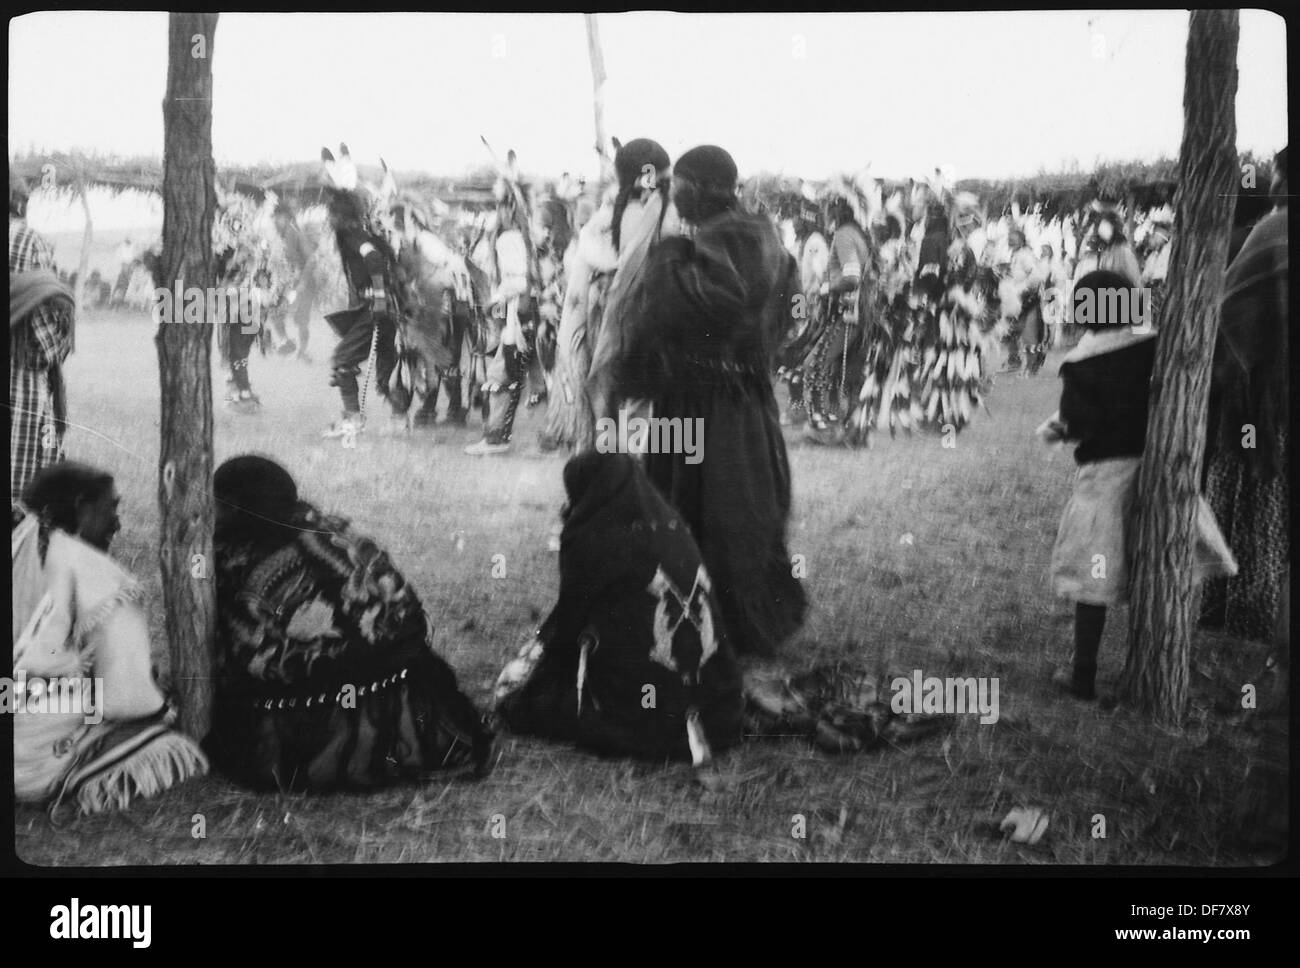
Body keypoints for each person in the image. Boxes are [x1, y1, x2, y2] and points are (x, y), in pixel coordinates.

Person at [609, 144, 807, 657]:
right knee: (745, 509)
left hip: (703, 405)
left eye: (678, 186)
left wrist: (667, 258)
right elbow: (784, 320)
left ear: (695, 189)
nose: (673, 195)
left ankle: (710, 624)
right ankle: (743, 621)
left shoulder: (705, 245)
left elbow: (684, 311)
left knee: (702, 509)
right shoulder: (770, 242)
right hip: (749, 403)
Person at [206, 455, 494, 790]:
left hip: (325, 705)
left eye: (218, 503)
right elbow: (402, 614)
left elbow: (256, 661)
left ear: (237, 508)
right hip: (407, 680)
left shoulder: (255, 569)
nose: (214, 512)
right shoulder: (331, 530)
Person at [1039, 271, 1236, 700]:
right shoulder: (1153, 344)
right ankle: (1167, 656)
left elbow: (1078, 422)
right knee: (1164, 561)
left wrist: (1057, 430)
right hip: (1157, 467)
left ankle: (1083, 675)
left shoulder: (1081, 361)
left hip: (1106, 478)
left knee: (1096, 568)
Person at [493, 452, 745, 765]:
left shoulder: (589, 535)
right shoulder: (671, 523)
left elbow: (570, 625)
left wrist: (536, 668)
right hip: (715, 701)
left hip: (643, 695)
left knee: (532, 699)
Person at [12, 462, 208, 815]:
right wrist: (162, 702)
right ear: (81, 509)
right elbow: (125, 699)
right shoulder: (95, 572)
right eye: (111, 508)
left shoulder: (17, 541)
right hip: (26, 760)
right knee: (162, 737)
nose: (118, 523)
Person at [1201, 147, 1289, 651]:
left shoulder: (1271, 230)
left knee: (1247, 492)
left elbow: (1230, 318)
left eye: (1279, 173)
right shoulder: (1267, 230)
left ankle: (1237, 609)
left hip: (1258, 396)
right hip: (1269, 394)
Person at [584, 138, 674, 435]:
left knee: (624, 391)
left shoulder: (622, 210)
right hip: (651, 311)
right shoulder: (655, 211)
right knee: (644, 397)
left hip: (622, 310)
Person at [10, 176, 75, 504]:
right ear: (20, 203)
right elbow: (44, 327)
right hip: (19, 377)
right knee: (21, 488)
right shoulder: (26, 240)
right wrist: (57, 348)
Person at [321, 182, 401, 441]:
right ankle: (400, 418)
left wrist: (378, 297)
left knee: (344, 361)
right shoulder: (356, 234)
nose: (328, 218)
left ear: (340, 215)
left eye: (331, 213)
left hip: (375, 308)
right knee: (386, 364)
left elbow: (375, 259)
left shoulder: (353, 235)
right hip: (383, 307)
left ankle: (353, 423)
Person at [540, 191, 617, 452]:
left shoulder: (587, 238)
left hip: (586, 317)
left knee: (588, 379)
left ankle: (588, 441)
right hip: (584, 317)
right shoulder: (594, 236)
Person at [464, 180, 537, 455]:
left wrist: (494, 301)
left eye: (498, 206)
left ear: (506, 208)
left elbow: (516, 282)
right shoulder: (522, 236)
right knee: (525, 378)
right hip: (527, 316)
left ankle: (496, 438)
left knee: (499, 375)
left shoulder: (508, 239)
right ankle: (546, 438)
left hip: (515, 319)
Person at [805, 192, 872, 439]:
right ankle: (855, 432)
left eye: (827, 209)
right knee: (852, 372)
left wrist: (825, 288)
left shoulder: (844, 235)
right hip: (859, 314)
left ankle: (820, 428)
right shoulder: (858, 234)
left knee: (813, 365)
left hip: (847, 315)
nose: (825, 214)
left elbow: (852, 277)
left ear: (837, 210)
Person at [776, 200, 830, 427]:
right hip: (798, 299)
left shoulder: (815, 242)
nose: (794, 222)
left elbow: (819, 274)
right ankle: (797, 406)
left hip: (808, 302)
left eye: (798, 217)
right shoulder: (802, 241)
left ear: (807, 218)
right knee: (791, 352)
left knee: (796, 351)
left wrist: (806, 309)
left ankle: (800, 407)